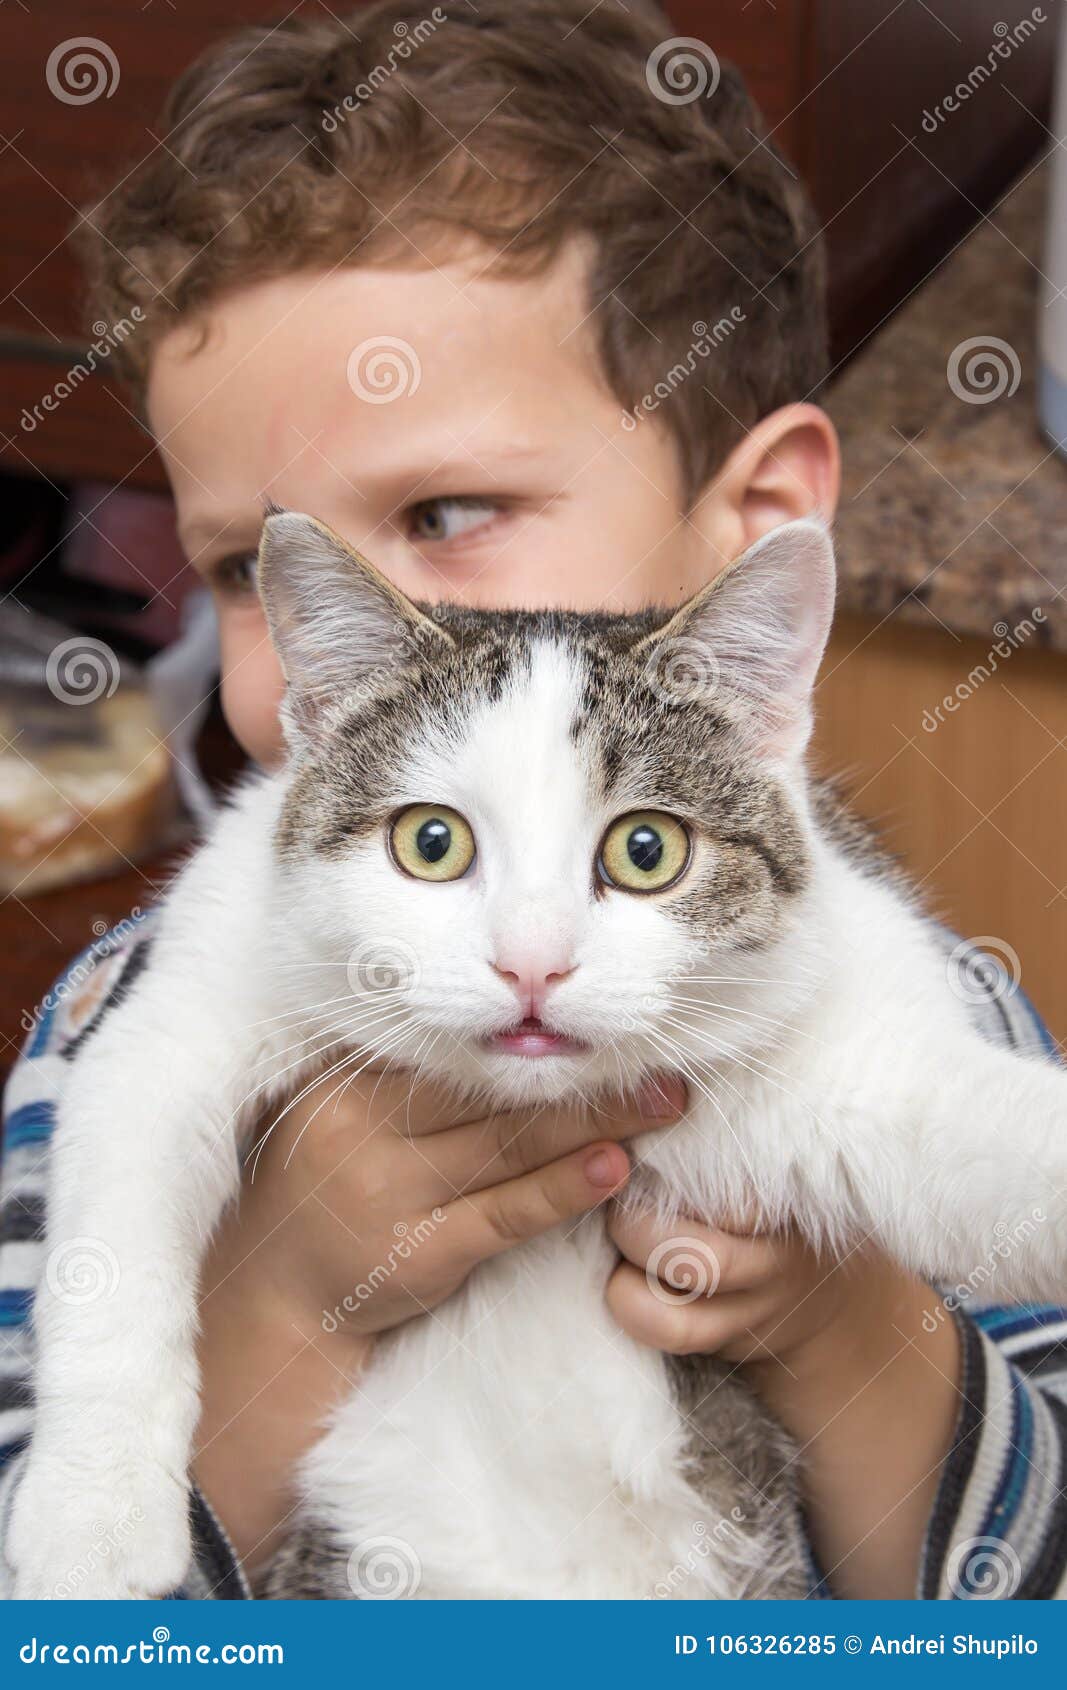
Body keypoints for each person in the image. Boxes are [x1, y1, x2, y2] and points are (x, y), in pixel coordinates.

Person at [2, 0, 1065, 1601]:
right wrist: (280, 1300)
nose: (345, 633)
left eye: (445, 510)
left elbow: (1035, 1602)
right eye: (245, 566)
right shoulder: (125, 1009)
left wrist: (843, 1319)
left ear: (759, 528)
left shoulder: (892, 980)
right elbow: (54, 1608)